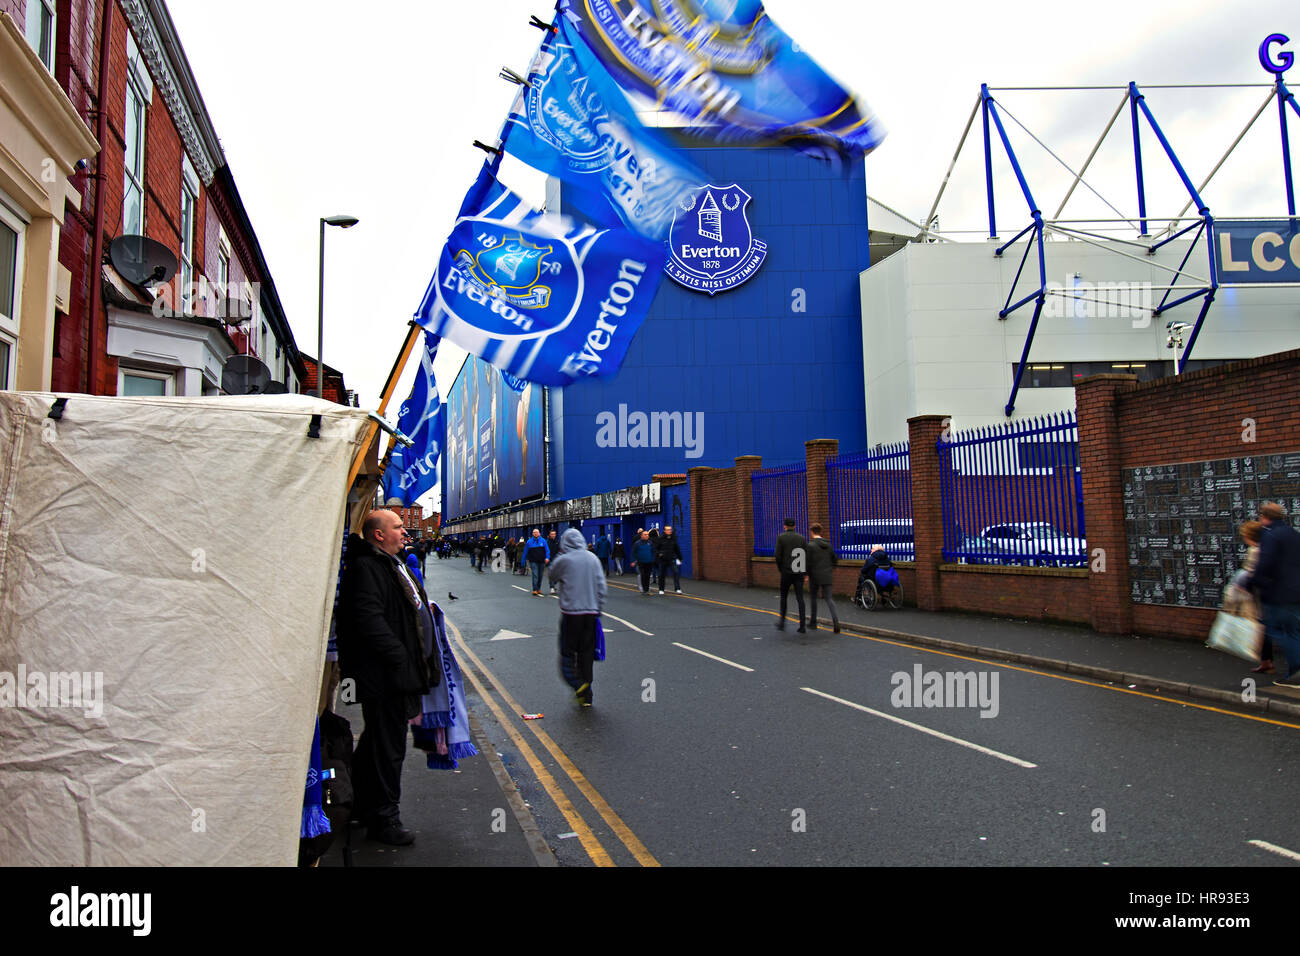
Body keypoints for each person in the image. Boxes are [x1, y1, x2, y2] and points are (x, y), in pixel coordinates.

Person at [336, 509, 438, 847]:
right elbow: (368, 619)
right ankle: (384, 819)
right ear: (378, 534)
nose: (403, 531)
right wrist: (401, 658)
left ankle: (361, 805)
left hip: (396, 673)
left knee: (376, 743)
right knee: (388, 747)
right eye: (397, 527)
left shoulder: (390, 563)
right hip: (386, 677)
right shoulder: (367, 567)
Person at [547, 528, 607, 708]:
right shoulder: (592, 558)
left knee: (567, 653)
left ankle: (577, 684)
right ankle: (587, 695)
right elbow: (601, 587)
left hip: (571, 614)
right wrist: (599, 609)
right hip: (590, 614)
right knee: (586, 653)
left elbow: (551, 575)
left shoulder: (564, 560)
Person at [1242, 502, 1300, 688]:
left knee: (1276, 630)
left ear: (1264, 517)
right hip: (1296, 592)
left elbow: (1264, 564)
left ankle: (1296, 673)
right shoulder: (1293, 533)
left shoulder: (1269, 535)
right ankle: (1294, 671)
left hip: (1278, 593)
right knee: (1293, 632)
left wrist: (1251, 584)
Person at [774, 518, 807, 633]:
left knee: (784, 597)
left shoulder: (781, 537)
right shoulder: (802, 538)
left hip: (786, 572)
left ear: (785, 526)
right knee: (800, 598)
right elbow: (804, 555)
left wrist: (780, 569)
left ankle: (782, 622)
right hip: (798, 572)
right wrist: (804, 572)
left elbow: (778, 556)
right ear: (795, 526)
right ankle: (802, 625)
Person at [806, 523, 839, 632]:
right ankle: (836, 623)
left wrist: (806, 574)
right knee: (829, 599)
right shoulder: (828, 545)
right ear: (820, 532)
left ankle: (813, 623)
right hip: (827, 574)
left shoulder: (810, 546)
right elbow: (834, 560)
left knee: (813, 599)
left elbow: (808, 562)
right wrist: (830, 569)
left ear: (812, 532)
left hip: (814, 576)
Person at [656, 525, 684, 594]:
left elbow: (676, 548)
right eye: (668, 530)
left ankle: (677, 588)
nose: (669, 531)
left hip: (672, 558)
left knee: (676, 573)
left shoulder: (673, 538)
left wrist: (680, 558)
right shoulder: (660, 538)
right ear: (664, 531)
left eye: (670, 530)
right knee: (662, 575)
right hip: (663, 559)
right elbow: (656, 548)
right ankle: (661, 589)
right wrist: (660, 554)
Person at [524, 529, 550, 595]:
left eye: (536, 532)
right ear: (532, 534)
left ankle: (538, 588)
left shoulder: (543, 541)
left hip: (542, 561)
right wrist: (523, 560)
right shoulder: (529, 542)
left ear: (539, 533)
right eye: (534, 532)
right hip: (533, 561)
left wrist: (547, 557)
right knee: (535, 575)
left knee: (540, 575)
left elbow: (547, 550)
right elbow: (525, 551)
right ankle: (535, 589)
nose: (535, 534)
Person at [631, 530, 656, 594]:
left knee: (648, 576)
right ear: (641, 536)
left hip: (649, 562)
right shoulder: (637, 543)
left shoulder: (650, 543)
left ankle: (646, 589)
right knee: (643, 575)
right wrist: (634, 561)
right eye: (645, 534)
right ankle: (644, 589)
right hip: (641, 562)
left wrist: (653, 559)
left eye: (647, 534)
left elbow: (653, 551)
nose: (647, 535)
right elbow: (634, 552)